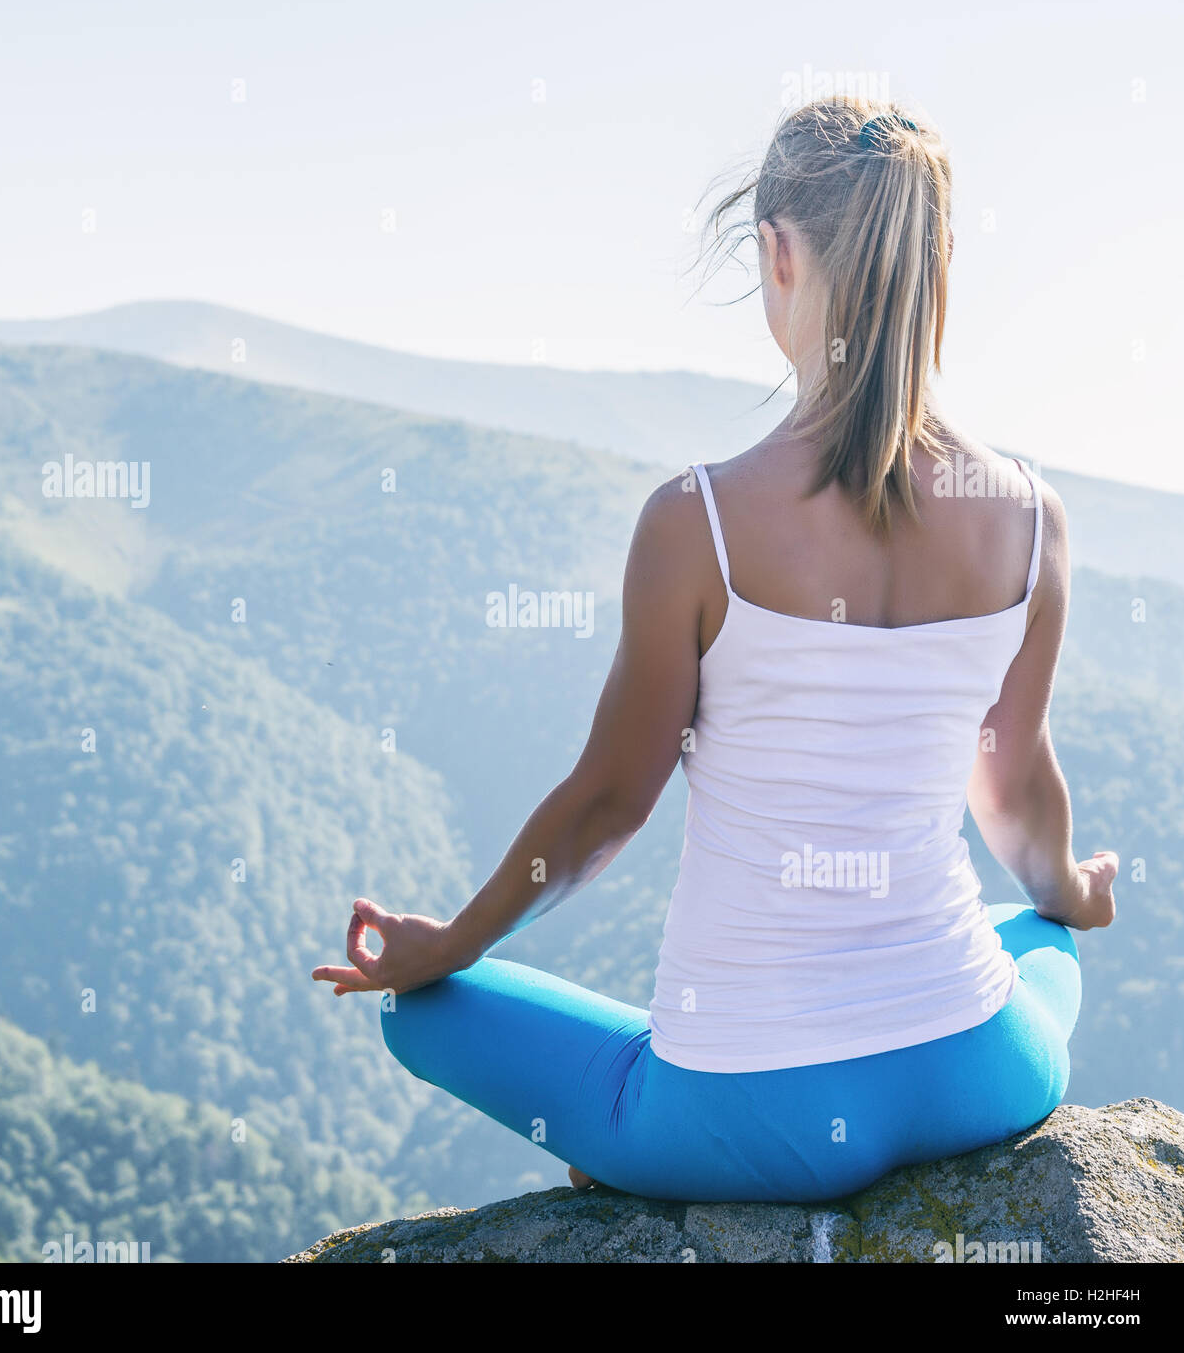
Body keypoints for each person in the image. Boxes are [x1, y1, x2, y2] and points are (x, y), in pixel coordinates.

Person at [312, 97, 1119, 1203]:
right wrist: (1073, 891)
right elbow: (1014, 783)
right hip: (975, 1074)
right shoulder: (1030, 518)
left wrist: (448, 940)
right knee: (1039, 931)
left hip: (755, 1113)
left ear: (776, 255)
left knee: (427, 1012)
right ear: (938, 265)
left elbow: (605, 807)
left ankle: (633, 1140)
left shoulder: (699, 524)